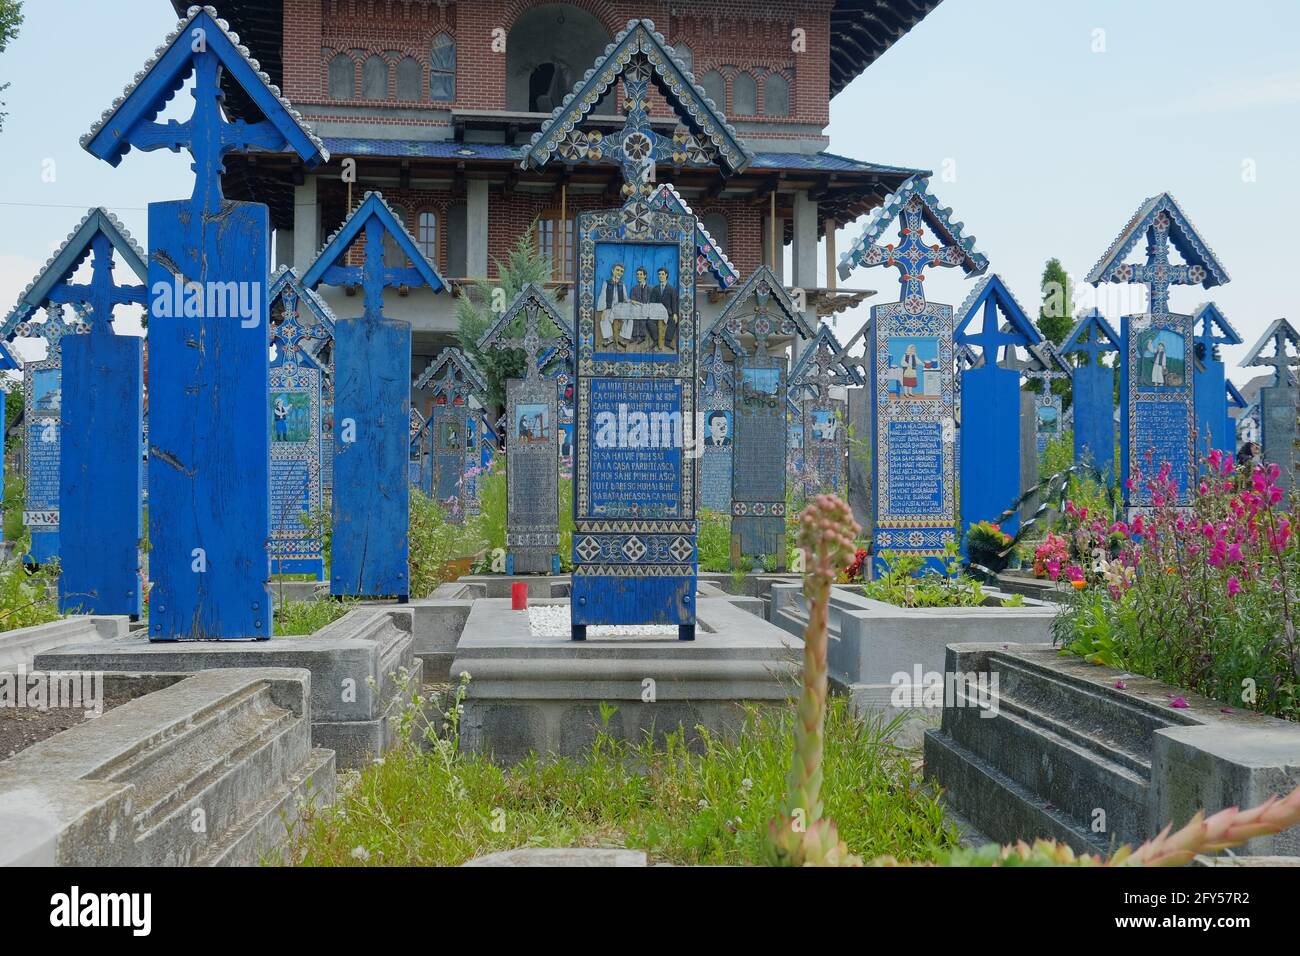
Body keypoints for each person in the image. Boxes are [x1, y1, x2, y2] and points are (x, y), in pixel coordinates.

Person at [597, 263, 630, 349]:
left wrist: (629, 304)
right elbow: (603, 296)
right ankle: (610, 338)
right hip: (609, 308)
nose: (619, 272)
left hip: (619, 309)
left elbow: (626, 298)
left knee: (629, 319)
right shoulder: (607, 283)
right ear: (613, 270)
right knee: (604, 320)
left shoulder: (622, 285)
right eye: (617, 270)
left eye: (621, 271)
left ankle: (621, 338)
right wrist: (603, 311)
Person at [653, 266, 679, 352]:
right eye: (659, 274)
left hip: (668, 313)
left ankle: (667, 341)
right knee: (649, 322)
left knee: (673, 321)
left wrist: (675, 313)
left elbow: (674, 302)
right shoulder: (655, 289)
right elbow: (652, 302)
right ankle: (656, 340)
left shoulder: (671, 289)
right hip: (656, 312)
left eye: (662, 274)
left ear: (666, 275)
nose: (660, 276)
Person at [629, 266, 654, 348]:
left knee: (643, 316)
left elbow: (651, 300)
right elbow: (632, 299)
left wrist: (645, 306)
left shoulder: (650, 289)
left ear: (645, 276)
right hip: (636, 309)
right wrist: (638, 304)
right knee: (635, 316)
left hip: (646, 309)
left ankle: (642, 336)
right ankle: (635, 336)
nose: (639, 276)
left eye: (641, 274)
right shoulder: (634, 288)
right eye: (637, 274)